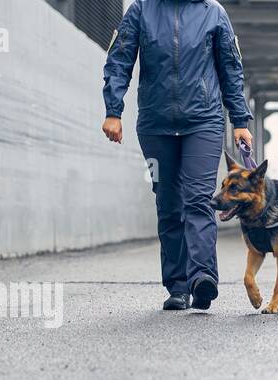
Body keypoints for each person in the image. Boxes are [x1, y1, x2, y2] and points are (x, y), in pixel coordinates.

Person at [101, 0, 253, 312]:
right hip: (155, 126)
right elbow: (119, 59)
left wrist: (240, 121)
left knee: (198, 199)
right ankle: (178, 286)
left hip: (204, 123)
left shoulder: (214, 13)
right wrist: (113, 111)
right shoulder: (142, 10)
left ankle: (202, 277)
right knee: (168, 203)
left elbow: (230, 69)